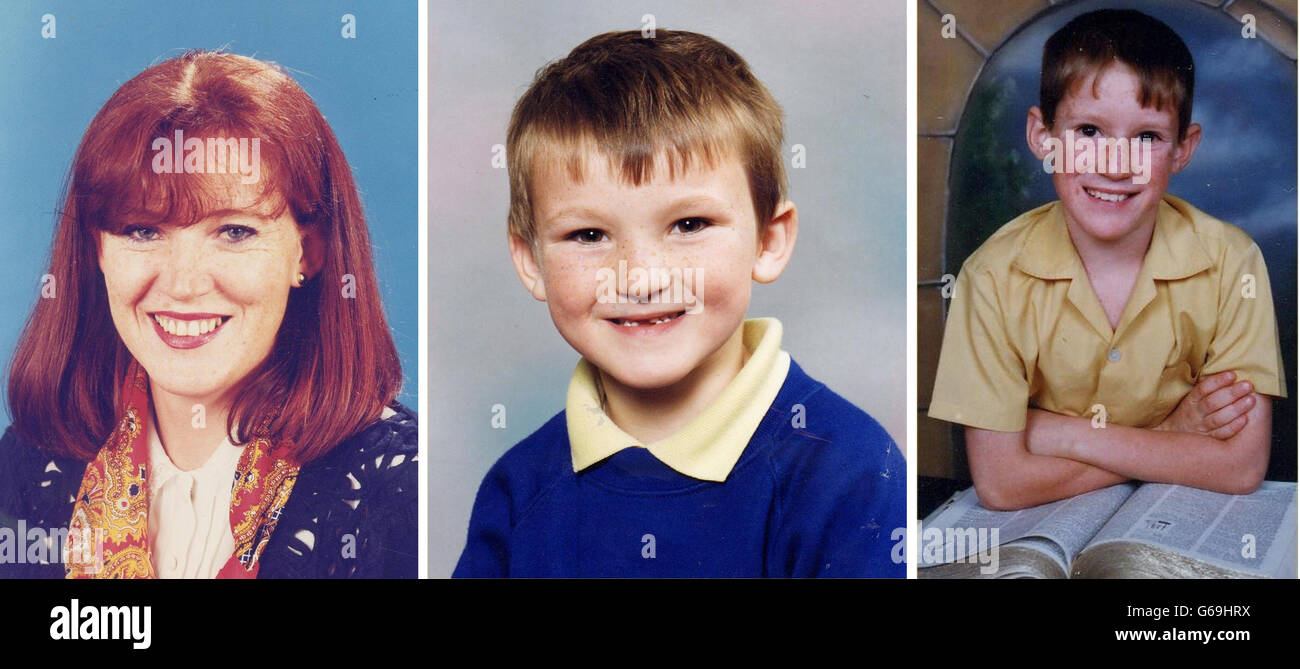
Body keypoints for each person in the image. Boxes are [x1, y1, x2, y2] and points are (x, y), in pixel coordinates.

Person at [453, 30, 905, 577]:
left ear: (769, 240)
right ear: (530, 260)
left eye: (689, 225)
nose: (641, 278)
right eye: (590, 235)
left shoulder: (848, 472)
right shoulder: (517, 489)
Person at [0, 51, 417, 578]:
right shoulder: (27, 467)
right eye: (142, 231)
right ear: (98, 251)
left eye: (235, 232)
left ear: (306, 254)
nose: (183, 283)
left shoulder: (401, 495)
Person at [928, 10, 1286, 511]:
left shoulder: (1232, 262)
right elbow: (1002, 483)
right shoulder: (990, 277)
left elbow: (1241, 466)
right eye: (1089, 131)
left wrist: (1056, 434)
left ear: (1183, 148)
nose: (1115, 164)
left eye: (1147, 137)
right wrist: (1171, 434)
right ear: (1042, 136)